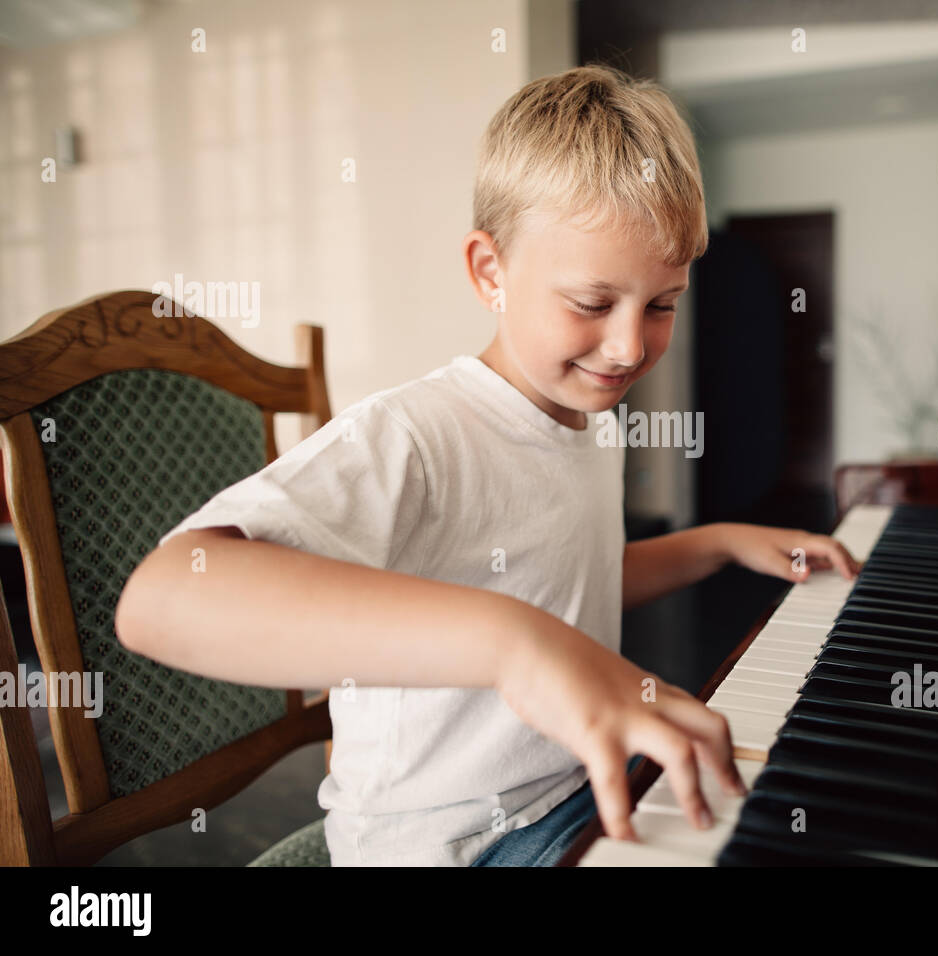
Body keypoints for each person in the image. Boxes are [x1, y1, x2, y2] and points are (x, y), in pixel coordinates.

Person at [115, 64, 858, 866]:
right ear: (489, 272)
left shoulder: (579, 419)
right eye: (592, 303)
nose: (630, 345)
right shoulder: (416, 436)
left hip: (564, 793)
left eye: (662, 304)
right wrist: (514, 644)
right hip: (449, 841)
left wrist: (714, 542)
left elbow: (567, 578)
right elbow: (164, 596)